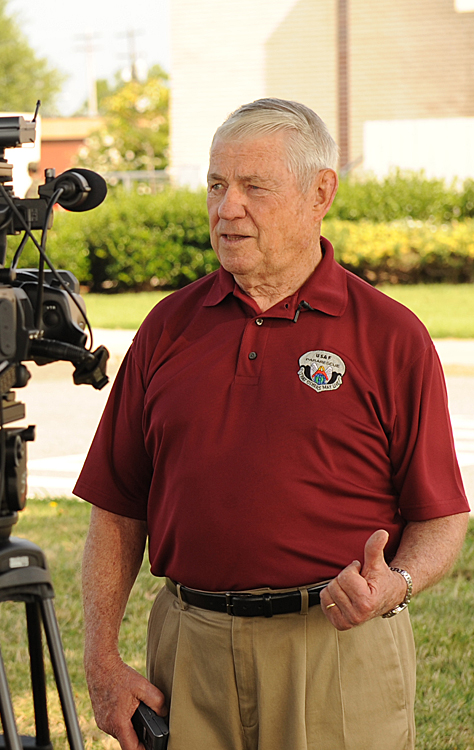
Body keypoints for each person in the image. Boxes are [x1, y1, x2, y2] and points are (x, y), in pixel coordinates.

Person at [74, 98, 469, 750]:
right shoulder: (168, 328)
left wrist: (394, 583)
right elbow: (116, 510)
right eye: (216, 186)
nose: (227, 208)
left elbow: (442, 517)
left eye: (254, 187)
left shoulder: (391, 337)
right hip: (189, 651)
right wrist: (101, 661)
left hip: (338, 648)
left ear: (321, 193)